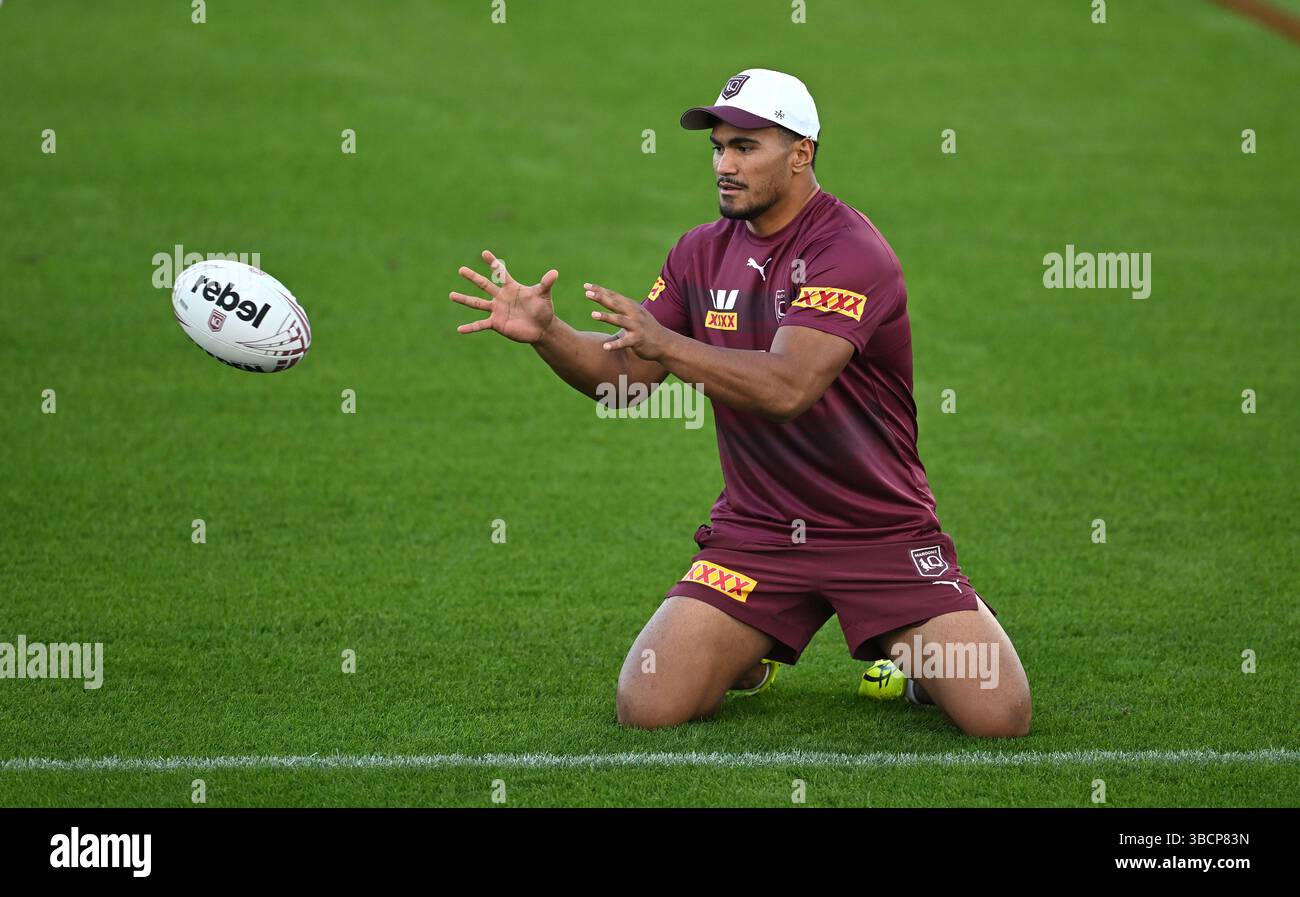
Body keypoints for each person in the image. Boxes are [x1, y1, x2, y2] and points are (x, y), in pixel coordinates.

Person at [451, 69, 1031, 737]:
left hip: (878, 533)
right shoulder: (699, 253)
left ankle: (914, 656)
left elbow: (788, 387)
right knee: (648, 704)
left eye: (746, 147)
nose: (725, 165)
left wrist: (668, 344)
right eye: (718, 147)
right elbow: (626, 378)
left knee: (999, 715)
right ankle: (753, 653)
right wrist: (548, 334)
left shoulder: (850, 252)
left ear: (802, 152)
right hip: (759, 536)